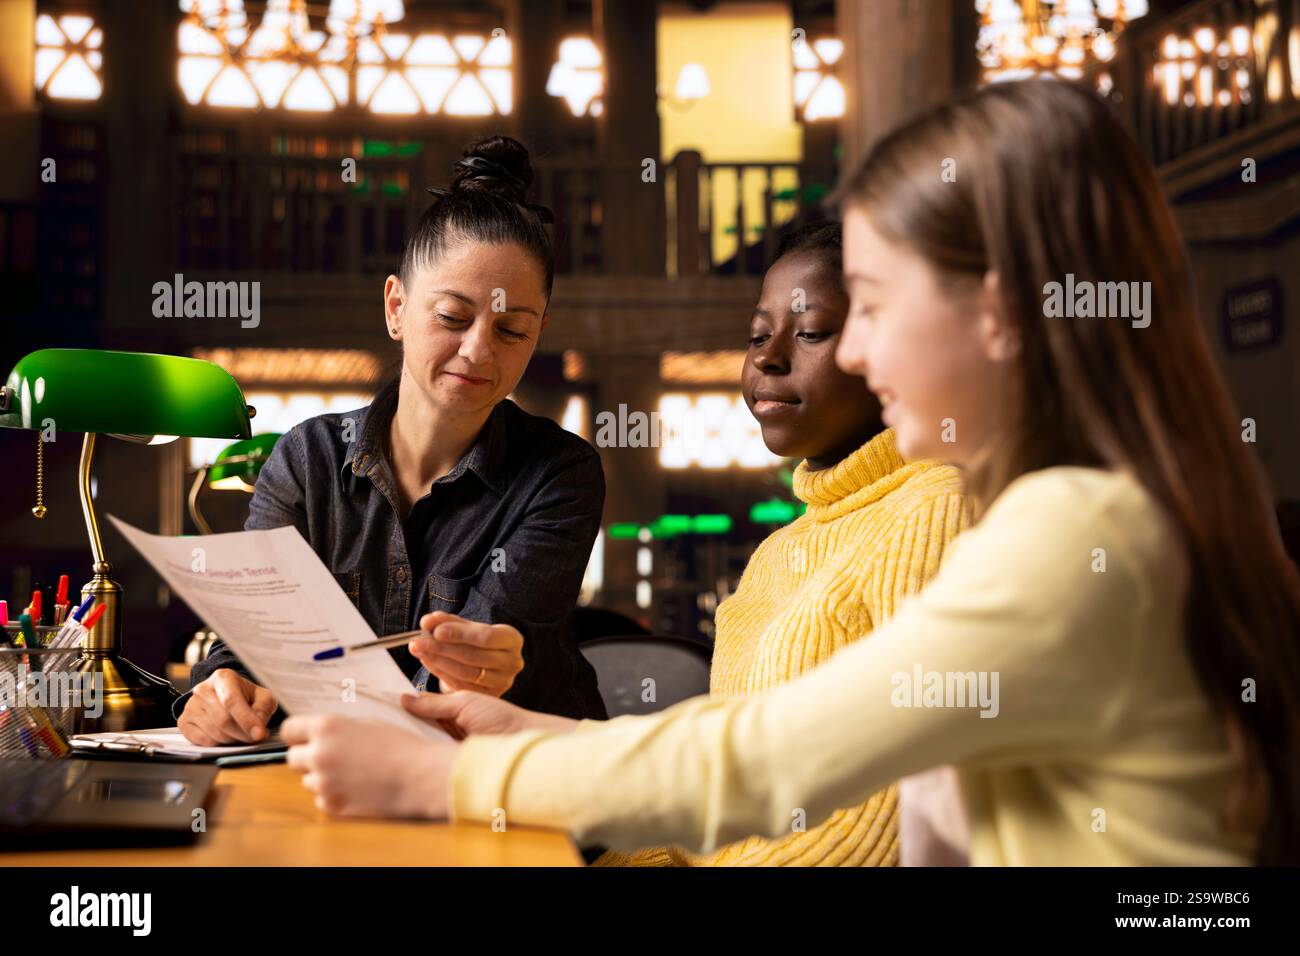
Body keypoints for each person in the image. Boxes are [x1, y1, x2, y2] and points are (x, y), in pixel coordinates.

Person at [282, 80, 1300, 865]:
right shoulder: (1087, 508)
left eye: (868, 306)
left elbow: (770, 764)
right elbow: (770, 732)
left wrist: (452, 776)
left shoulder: (1069, 528)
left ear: (992, 309)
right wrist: (522, 730)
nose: (853, 355)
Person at [177, 136, 608, 747]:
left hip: (515, 785)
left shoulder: (559, 473)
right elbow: (256, 639)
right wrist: (224, 690)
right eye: (453, 318)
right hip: (346, 777)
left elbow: (459, 687)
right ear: (397, 307)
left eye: (512, 329)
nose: (479, 350)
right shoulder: (307, 461)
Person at [587, 221, 966, 866]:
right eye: (758, 335)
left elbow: (895, 813)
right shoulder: (776, 556)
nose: (768, 358)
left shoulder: (940, 510)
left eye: (810, 332)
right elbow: (723, 790)